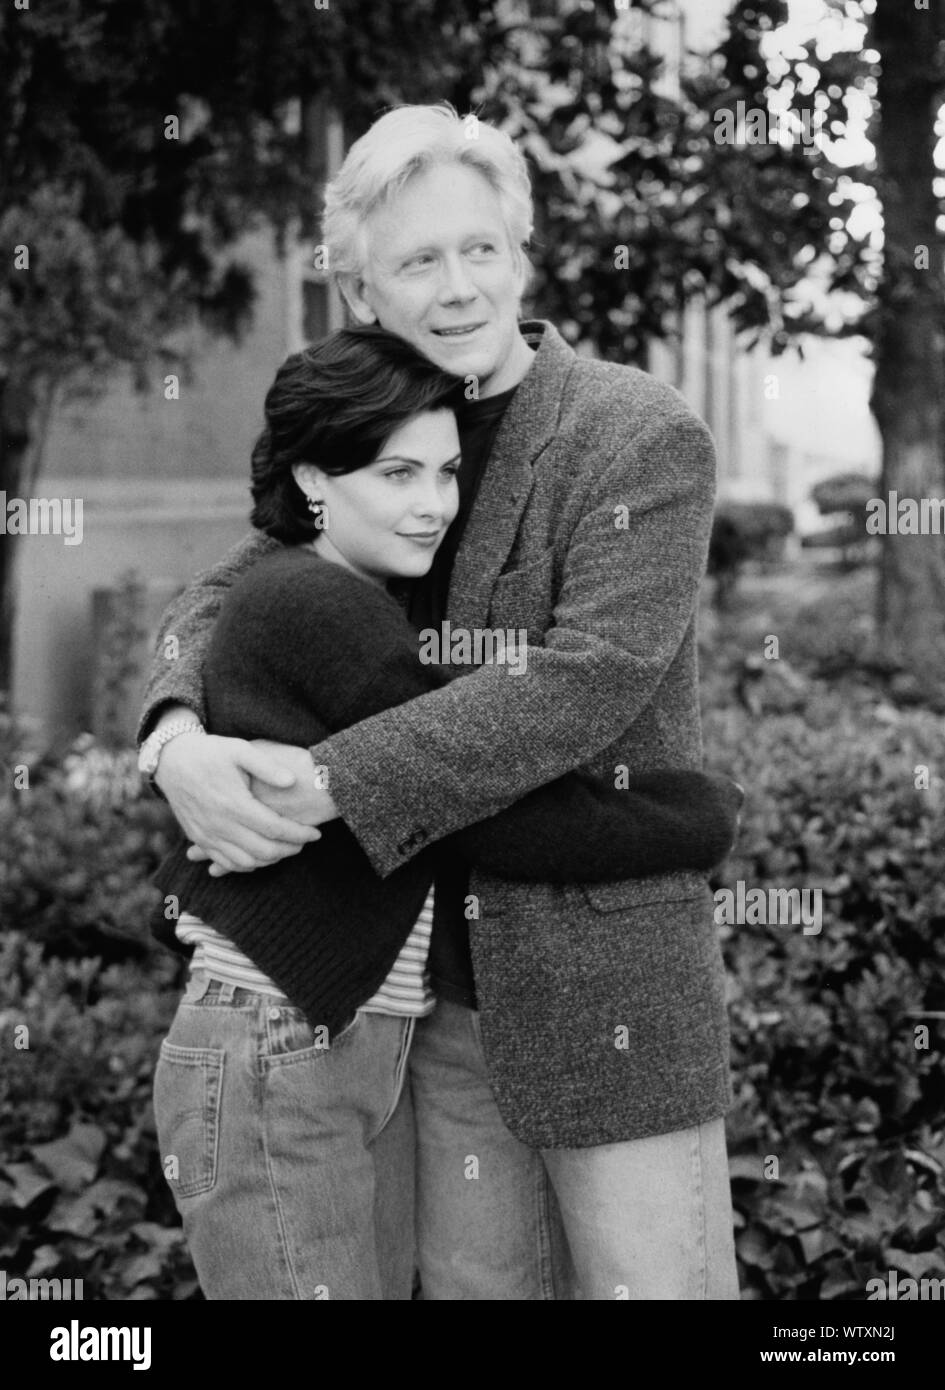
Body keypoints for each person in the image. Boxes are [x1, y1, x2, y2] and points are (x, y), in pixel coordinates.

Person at [139, 102, 742, 1300]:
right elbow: (239, 579)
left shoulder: (634, 434)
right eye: (419, 259)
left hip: (604, 992)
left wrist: (328, 780)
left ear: (522, 255)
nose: (460, 287)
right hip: (425, 1008)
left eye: (482, 249)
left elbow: (585, 681)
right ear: (361, 288)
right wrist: (171, 735)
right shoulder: (376, 421)